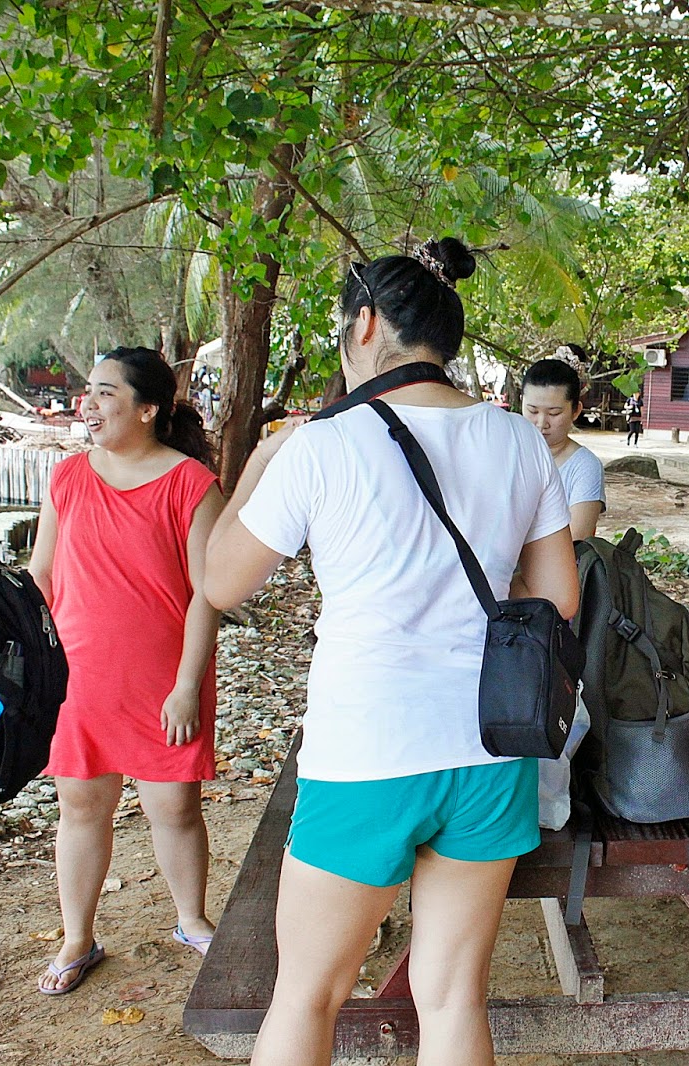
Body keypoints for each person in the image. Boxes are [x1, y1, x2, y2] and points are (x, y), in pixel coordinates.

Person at [203, 238, 579, 1066]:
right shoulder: (519, 439)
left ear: (366, 323)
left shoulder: (322, 444)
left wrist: (258, 466)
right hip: (492, 745)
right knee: (450, 999)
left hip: (368, 750)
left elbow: (220, 581)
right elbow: (558, 602)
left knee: (307, 996)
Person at [27, 347, 225, 994]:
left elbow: (207, 592)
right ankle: (78, 937)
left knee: (173, 806)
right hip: (78, 676)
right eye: (89, 390)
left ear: (148, 409)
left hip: (165, 681)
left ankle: (192, 920)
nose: (89, 403)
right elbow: (42, 575)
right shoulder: (68, 477)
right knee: (81, 805)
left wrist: (187, 686)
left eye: (106, 392)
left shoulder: (192, 482)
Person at [521, 356, 605, 540]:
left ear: (576, 410)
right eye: (533, 411)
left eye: (554, 413)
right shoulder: (505, 454)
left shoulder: (585, 466)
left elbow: (576, 538)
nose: (541, 423)